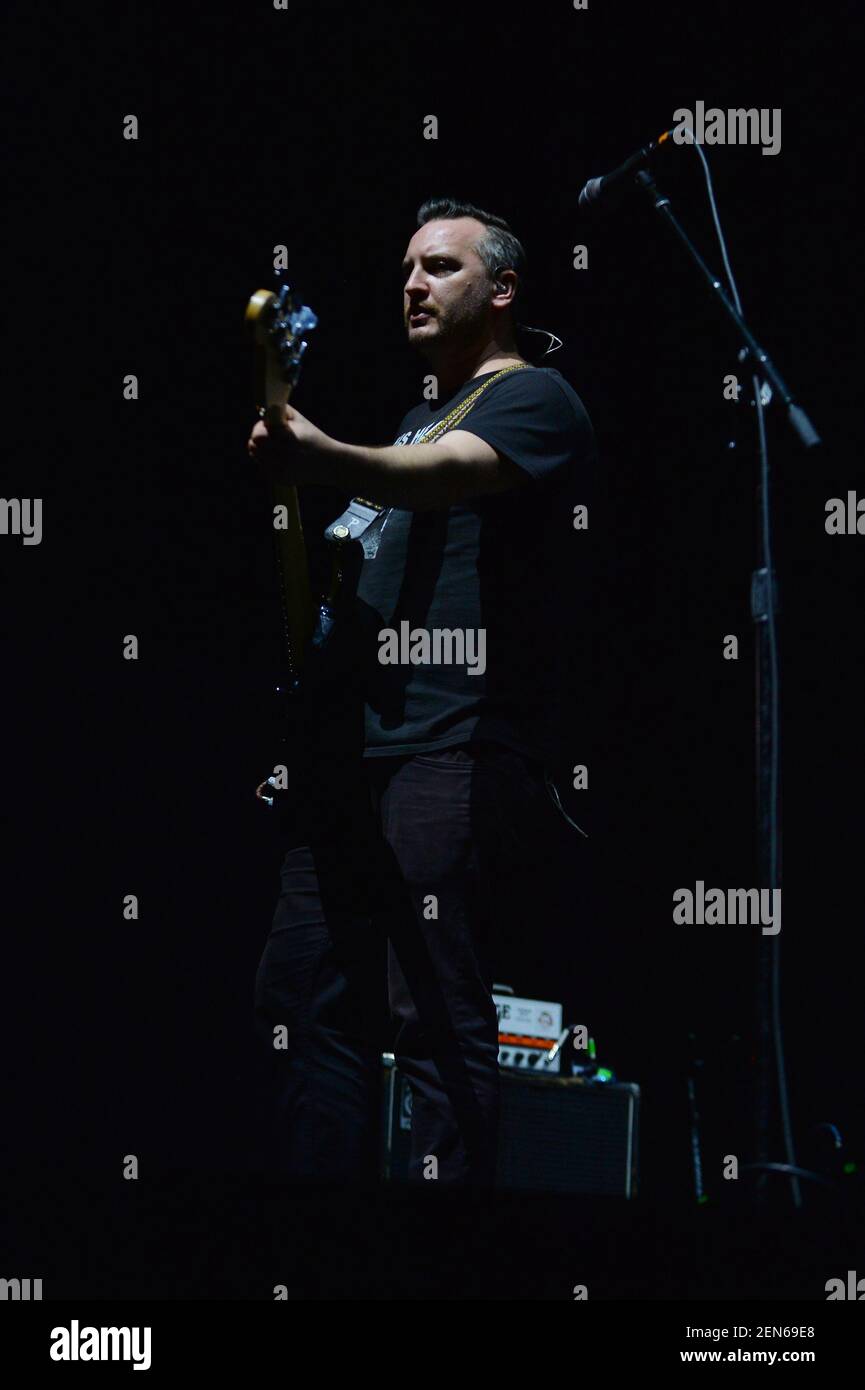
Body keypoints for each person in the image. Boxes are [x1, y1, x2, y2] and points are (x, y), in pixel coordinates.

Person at [248, 197, 596, 1187]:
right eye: (406, 267)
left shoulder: (534, 396)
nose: (412, 283)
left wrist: (321, 458)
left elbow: (447, 475)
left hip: (447, 748)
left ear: (501, 288)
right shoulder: (409, 419)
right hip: (341, 764)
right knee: (299, 998)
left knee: (431, 1009)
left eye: (440, 267)